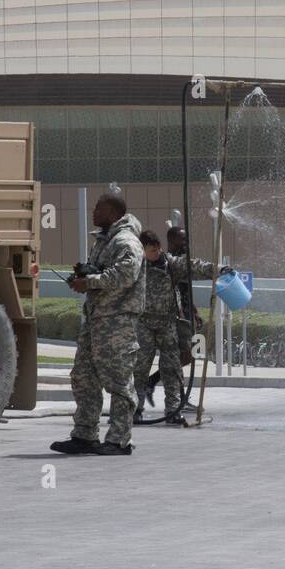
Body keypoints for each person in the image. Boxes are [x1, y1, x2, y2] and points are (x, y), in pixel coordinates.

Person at [50, 194, 143, 455]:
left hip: (116, 322)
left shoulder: (125, 241)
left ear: (112, 212)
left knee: (119, 381)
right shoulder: (106, 240)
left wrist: (89, 281)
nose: (93, 213)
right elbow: (104, 271)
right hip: (96, 320)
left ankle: (119, 440)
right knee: (84, 376)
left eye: (98, 209)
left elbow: (125, 274)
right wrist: (85, 273)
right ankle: (85, 435)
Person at [132, 229, 220, 425]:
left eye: (156, 249)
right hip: (144, 323)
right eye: (149, 250)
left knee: (172, 368)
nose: (154, 253)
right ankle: (135, 409)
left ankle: (173, 410)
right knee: (140, 368)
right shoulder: (135, 265)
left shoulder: (170, 264)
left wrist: (220, 269)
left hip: (167, 323)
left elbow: (194, 267)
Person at [143, 226, 203, 412]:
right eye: (181, 240)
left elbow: (185, 290)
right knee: (180, 357)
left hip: (184, 311)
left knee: (185, 356)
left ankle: (164, 390)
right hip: (174, 315)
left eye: (186, 240)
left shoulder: (176, 262)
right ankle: (155, 385)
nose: (185, 244)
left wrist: (193, 311)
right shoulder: (167, 262)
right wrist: (184, 313)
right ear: (171, 241)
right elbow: (176, 291)